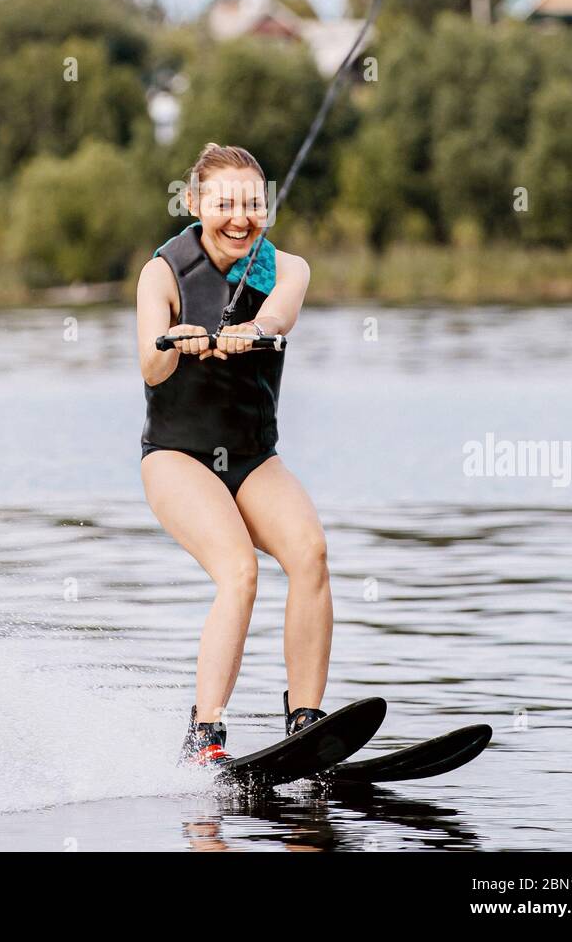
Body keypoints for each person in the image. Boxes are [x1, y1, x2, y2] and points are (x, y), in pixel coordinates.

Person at [136, 142, 333, 767]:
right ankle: (206, 733)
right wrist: (179, 340)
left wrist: (252, 332)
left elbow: (280, 315)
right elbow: (149, 359)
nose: (240, 217)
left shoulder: (286, 267)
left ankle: (305, 719)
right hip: (177, 457)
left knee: (309, 553)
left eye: (253, 203)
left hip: (251, 458)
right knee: (239, 571)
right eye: (226, 204)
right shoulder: (163, 273)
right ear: (196, 205)